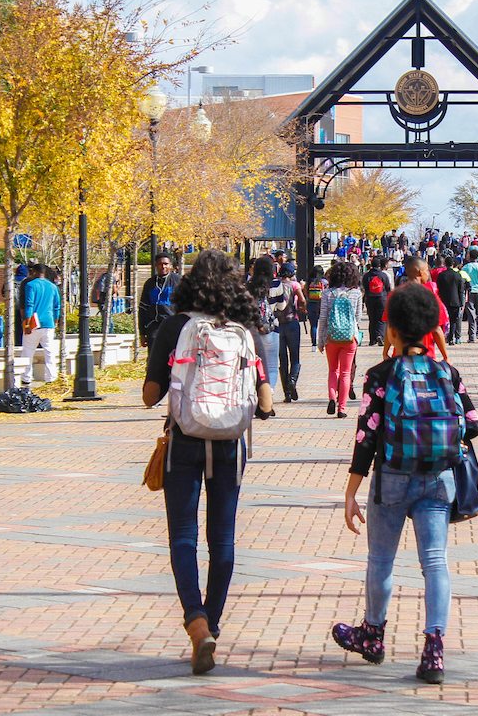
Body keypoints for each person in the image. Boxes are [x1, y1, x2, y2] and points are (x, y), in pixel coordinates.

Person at [332, 281, 478, 685]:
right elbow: (473, 425)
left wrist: (351, 491)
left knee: (381, 560)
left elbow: (367, 435)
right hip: (438, 479)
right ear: (433, 329)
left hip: (392, 478)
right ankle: (433, 648)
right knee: (435, 562)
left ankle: (373, 634)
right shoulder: (448, 373)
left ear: (392, 331)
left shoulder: (380, 375)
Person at [142, 249, 274, 675]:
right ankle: (212, 623)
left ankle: (196, 624)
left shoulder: (175, 326)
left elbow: (151, 395)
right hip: (230, 445)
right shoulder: (244, 330)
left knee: (183, 535)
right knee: (224, 539)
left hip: (184, 440)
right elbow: (267, 401)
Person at [318, 261, 364, 418]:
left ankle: (332, 398)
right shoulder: (356, 293)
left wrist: (320, 340)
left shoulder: (327, 293)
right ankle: (342, 409)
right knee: (345, 372)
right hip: (349, 337)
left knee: (333, 370)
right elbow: (358, 318)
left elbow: (322, 318)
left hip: (331, 336)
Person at [20, 266, 61, 386]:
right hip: (49, 322)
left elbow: (29, 304)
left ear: (34, 272)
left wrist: (27, 323)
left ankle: (26, 377)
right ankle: (51, 377)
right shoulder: (53, 286)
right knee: (49, 350)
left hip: (34, 321)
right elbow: (56, 306)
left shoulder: (30, 285)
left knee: (28, 350)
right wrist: (56, 321)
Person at [247, 257, 282, 391]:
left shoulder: (249, 285)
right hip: (271, 329)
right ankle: (269, 393)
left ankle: (256, 393)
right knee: (272, 366)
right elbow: (282, 306)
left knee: (254, 363)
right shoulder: (276, 284)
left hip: (253, 329)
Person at [276, 263, 306, 402]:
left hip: (278, 324)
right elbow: (302, 299)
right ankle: (292, 381)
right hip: (292, 322)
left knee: (282, 360)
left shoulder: (275, 285)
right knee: (295, 358)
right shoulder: (294, 285)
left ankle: (286, 393)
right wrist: (302, 308)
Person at [139, 253, 181, 351]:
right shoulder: (150, 283)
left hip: (173, 326)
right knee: (153, 360)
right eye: (160, 264)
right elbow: (142, 308)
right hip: (154, 326)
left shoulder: (178, 281)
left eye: (166, 264)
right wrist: (142, 333)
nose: (163, 266)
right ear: (155, 265)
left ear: (170, 265)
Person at [362, 256, 392, 346]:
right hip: (382, 299)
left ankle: (372, 340)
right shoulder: (383, 275)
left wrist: (364, 301)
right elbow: (388, 288)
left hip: (370, 299)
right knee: (381, 319)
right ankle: (380, 335)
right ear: (379, 265)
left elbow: (365, 288)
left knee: (372, 319)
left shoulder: (366, 275)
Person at [436, 256, 466, 345]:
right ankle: (451, 338)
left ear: (445, 264)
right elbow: (461, 290)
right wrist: (461, 302)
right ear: (453, 264)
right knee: (453, 320)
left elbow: (439, 288)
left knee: (444, 320)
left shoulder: (441, 275)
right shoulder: (458, 275)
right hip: (455, 300)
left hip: (444, 300)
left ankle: (443, 337)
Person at [461, 248, 478, 343]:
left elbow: (463, 281)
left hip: (469, 292)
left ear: (469, 257)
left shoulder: (465, 268)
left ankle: (471, 336)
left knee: (471, 314)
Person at [305, 265, 329, 350]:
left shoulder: (308, 282)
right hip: (321, 304)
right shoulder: (324, 282)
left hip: (311, 304)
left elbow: (306, 293)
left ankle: (314, 345)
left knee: (313, 325)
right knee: (324, 324)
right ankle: (324, 341)